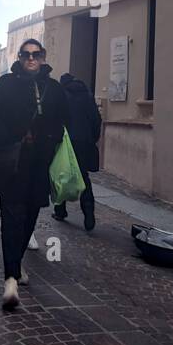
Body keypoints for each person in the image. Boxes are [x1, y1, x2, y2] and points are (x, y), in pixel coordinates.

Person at [0, 39, 68, 311]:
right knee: (11, 216)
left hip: (39, 164)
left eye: (36, 54)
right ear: (19, 58)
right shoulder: (6, 84)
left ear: (43, 58)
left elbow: (62, 119)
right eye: (26, 54)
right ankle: (10, 277)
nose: (31, 59)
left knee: (30, 215)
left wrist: (50, 139)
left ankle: (16, 265)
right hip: (12, 162)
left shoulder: (53, 88)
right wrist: (9, 138)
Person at [54, 72, 101, 231]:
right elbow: (96, 119)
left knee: (62, 174)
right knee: (84, 178)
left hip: (65, 141)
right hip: (84, 142)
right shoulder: (87, 95)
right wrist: (91, 138)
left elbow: (57, 119)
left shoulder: (62, 95)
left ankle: (60, 211)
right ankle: (89, 214)